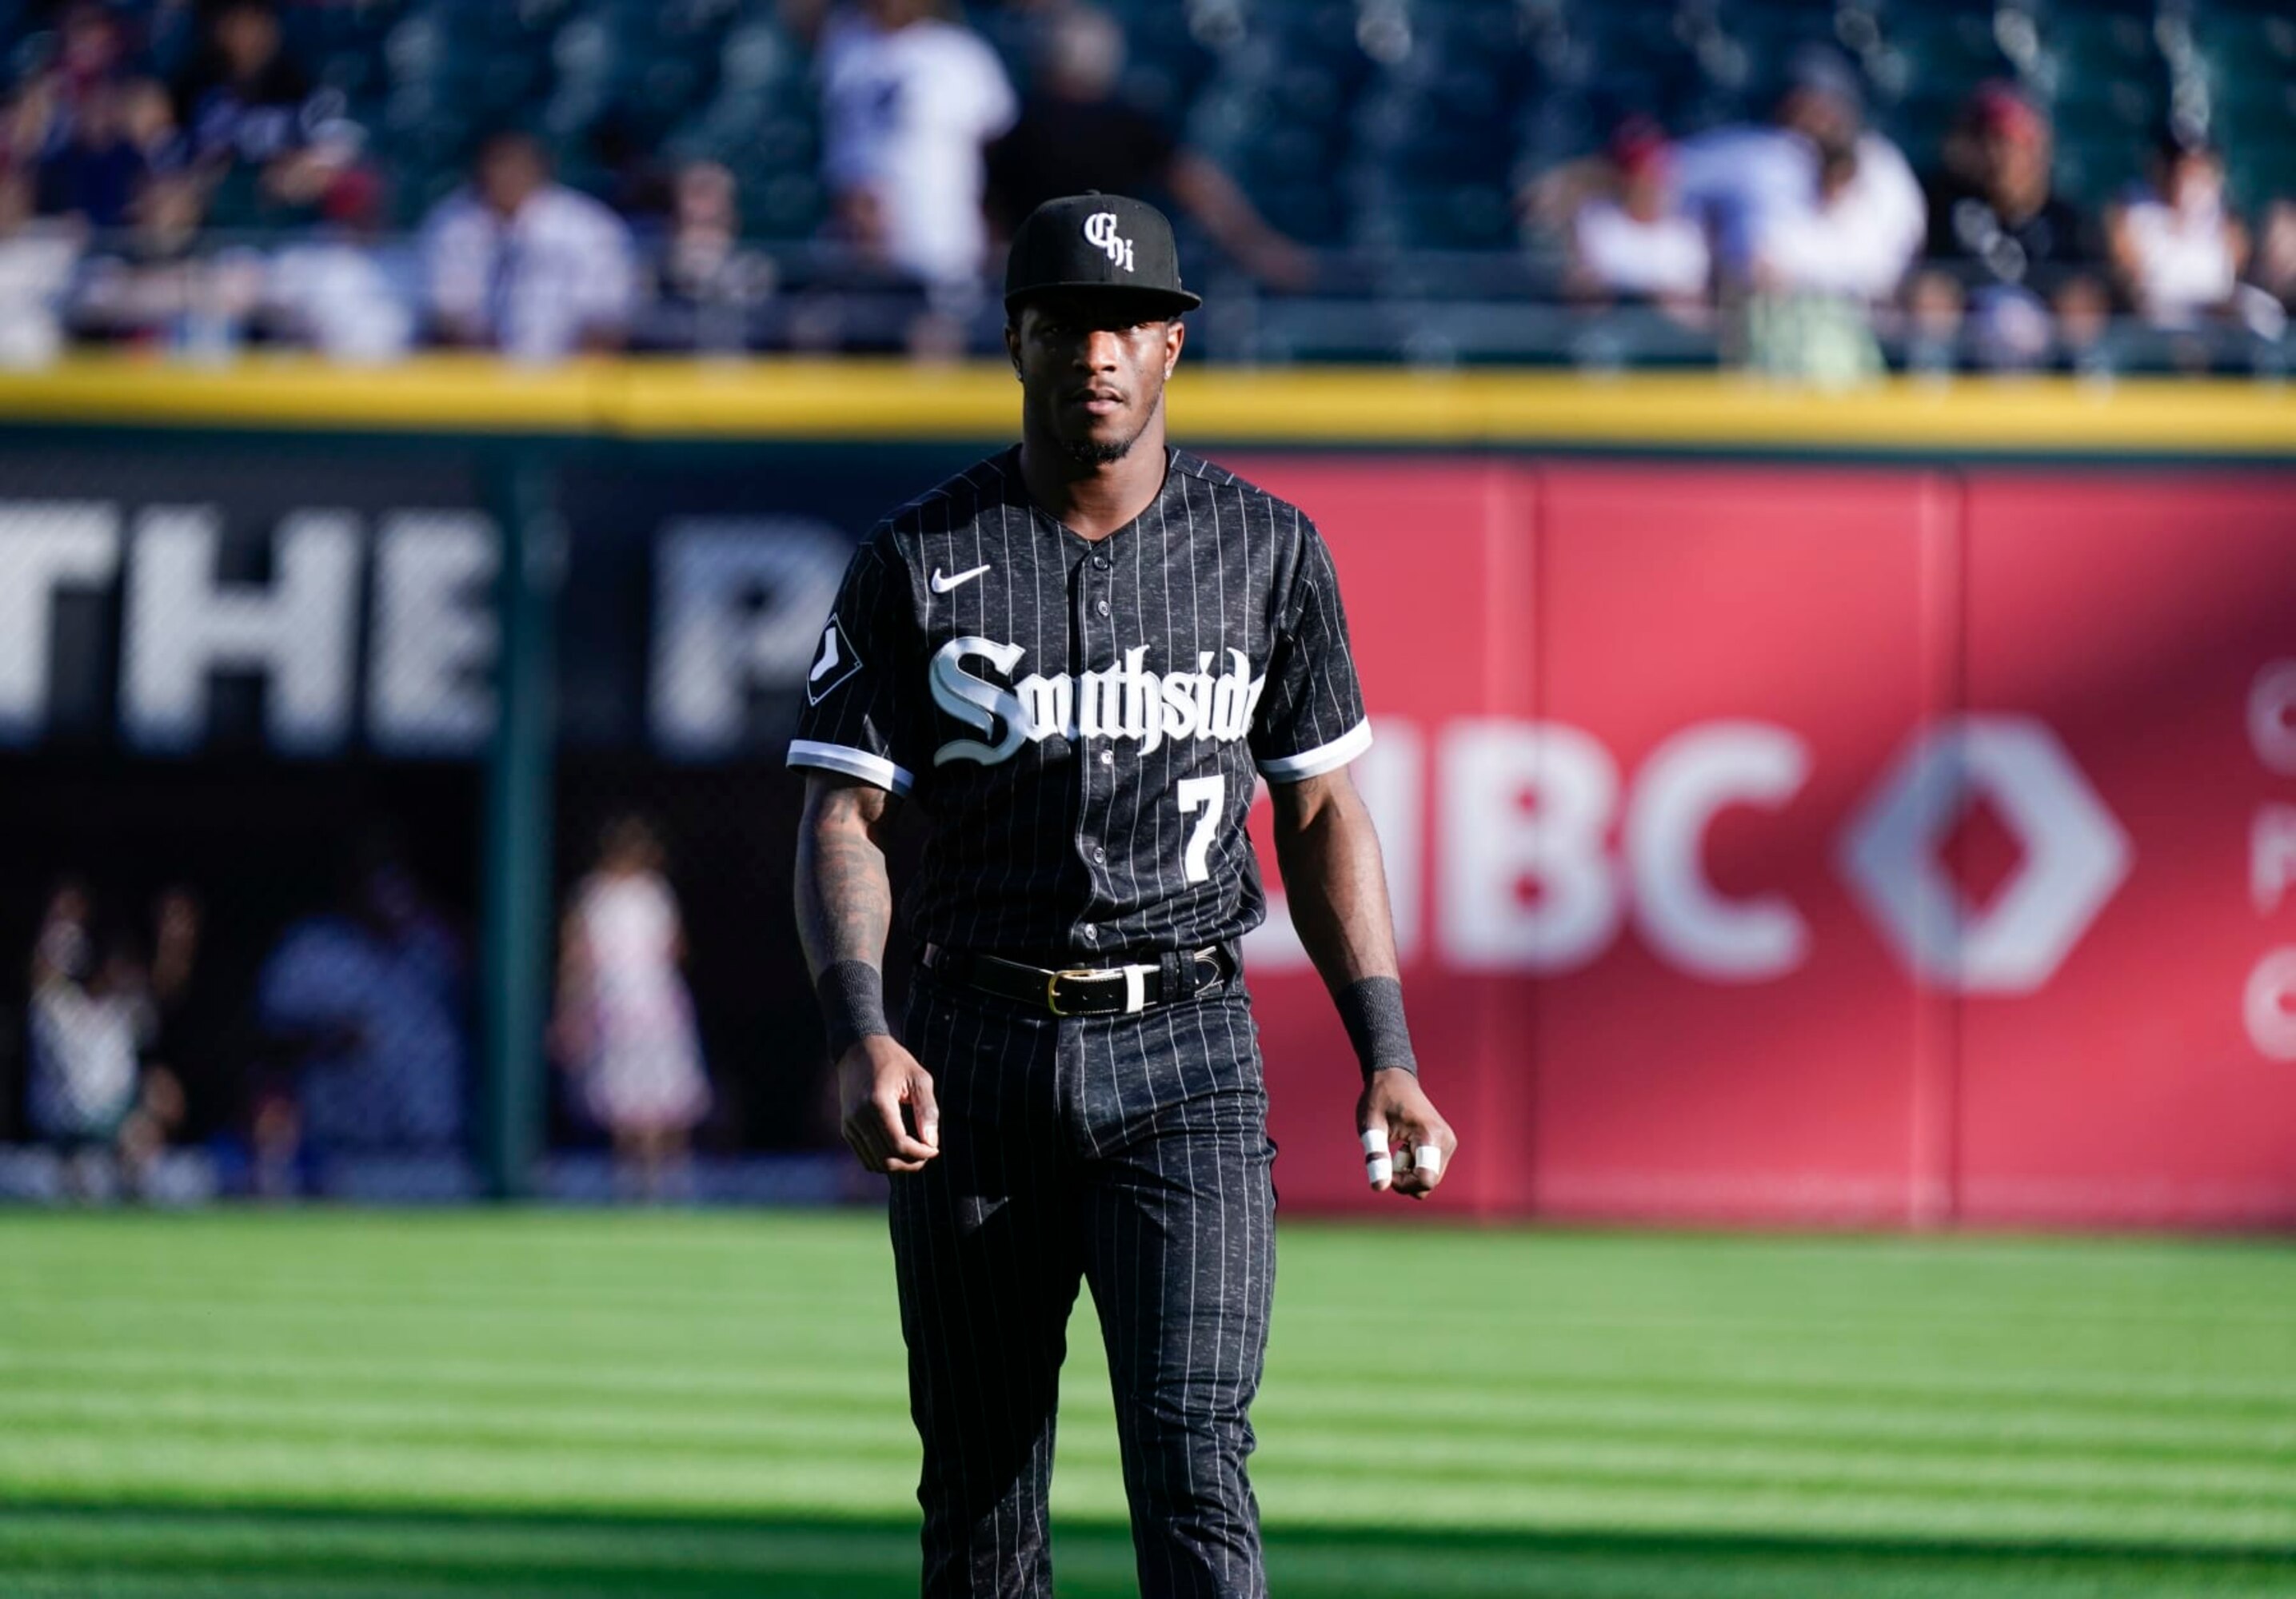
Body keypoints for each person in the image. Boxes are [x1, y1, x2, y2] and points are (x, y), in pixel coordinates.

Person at [789, 192, 1456, 1596]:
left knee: (1192, 1451)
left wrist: (1387, 1055)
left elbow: (1325, 806)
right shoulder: (913, 559)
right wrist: (863, 1026)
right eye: (1063, 324)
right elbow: (842, 816)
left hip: (1186, 1052)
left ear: (1169, 345)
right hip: (973, 1048)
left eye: (1121, 323)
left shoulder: (1269, 551)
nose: (1095, 351)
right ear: (1019, 342)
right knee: (978, 1484)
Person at [984, 4, 1314, 290]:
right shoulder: (1115, 121)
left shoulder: (1017, 120)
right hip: (1106, 273)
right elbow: (1196, 185)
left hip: (1036, 275)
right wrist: (1255, 245)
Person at [255, 844, 467, 1177]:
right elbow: (266, 1041)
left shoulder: (431, 946)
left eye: (398, 879)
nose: (390, 892)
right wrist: (329, 1038)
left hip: (436, 1145)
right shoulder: (313, 949)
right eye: (377, 878)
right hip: (344, 1150)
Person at [814, 0, 1016, 337]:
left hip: (938, 233)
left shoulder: (960, 54)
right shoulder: (845, 45)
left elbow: (995, 140)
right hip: (855, 237)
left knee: (935, 334)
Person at [552, 816, 711, 1202]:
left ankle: (658, 1183)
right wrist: (571, 1012)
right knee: (634, 1104)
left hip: (644, 1006)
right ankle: (644, 1185)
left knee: (659, 1100)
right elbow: (579, 959)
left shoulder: (644, 892)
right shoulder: (605, 895)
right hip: (627, 1007)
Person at [1909, 83, 2109, 372]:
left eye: (2008, 144)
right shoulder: (1946, 206)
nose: (1997, 157)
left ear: (2036, 150)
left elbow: (2088, 298)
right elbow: (1930, 281)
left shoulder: (2067, 221)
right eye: (1988, 143)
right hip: (1966, 355)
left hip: (2044, 358)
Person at [419, 128, 634, 360]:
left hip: (570, 371)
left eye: (514, 169)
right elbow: (447, 318)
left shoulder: (588, 227)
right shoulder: (452, 224)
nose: (503, 178)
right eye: (495, 167)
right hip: (478, 373)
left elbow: (605, 320)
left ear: (538, 171)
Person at [1565, 118, 1710, 320]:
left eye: (1652, 174)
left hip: (1671, 337)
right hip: (1611, 332)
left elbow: (1697, 312)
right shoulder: (1594, 219)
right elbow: (1582, 298)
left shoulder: (1690, 225)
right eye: (1634, 174)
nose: (1645, 182)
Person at [2110, 124, 2249, 332]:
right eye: (2178, 164)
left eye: (2197, 165)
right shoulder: (2131, 209)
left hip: (2217, 322)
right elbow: (2134, 283)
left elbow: (2235, 267)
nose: (2185, 174)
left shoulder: (2226, 217)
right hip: (2156, 322)